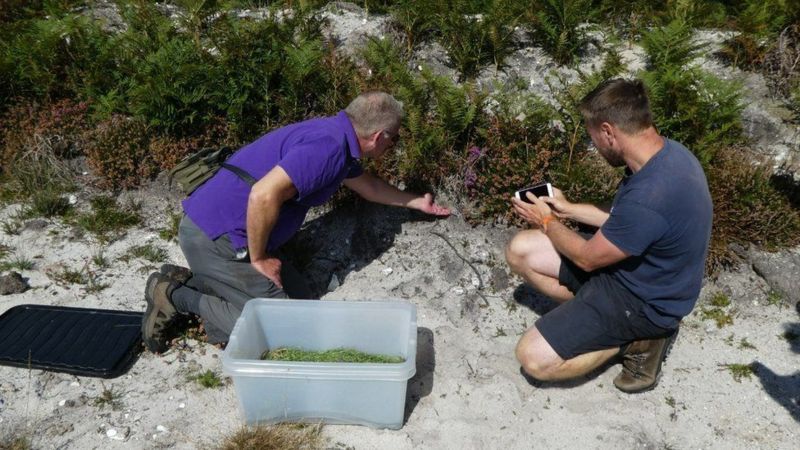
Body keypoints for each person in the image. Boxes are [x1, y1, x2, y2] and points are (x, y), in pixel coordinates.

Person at [142, 91, 450, 353]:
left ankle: (205, 283)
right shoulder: (328, 149)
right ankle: (174, 294)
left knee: (302, 301)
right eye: (395, 139)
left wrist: (416, 202)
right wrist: (259, 259)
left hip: (227, 232)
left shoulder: (336, 137)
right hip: (218, 237)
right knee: (284, 329)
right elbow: (263, 195)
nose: (393, 145)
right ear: (379, 136)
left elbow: (369, 187)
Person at [505, 78, 712, 393]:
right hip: (629, 270)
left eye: (592, 138)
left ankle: (637, 341)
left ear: (607, 132)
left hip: (645, 304)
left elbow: (587, 259)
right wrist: (568, 210)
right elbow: (624, 219)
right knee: (521, 249)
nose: (594, 147)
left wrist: (546, 220)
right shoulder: (667, 155)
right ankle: (593, 319)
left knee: (533, 359)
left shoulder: (653, 194)